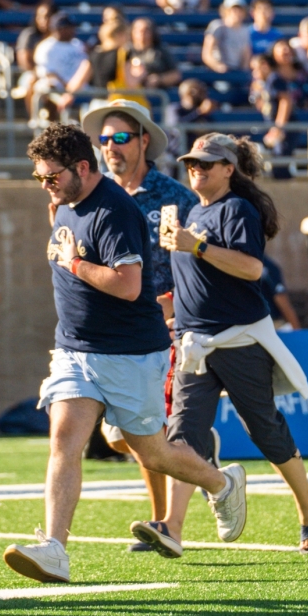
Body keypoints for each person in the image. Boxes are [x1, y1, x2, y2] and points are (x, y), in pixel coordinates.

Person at [5, 123, 247, 583]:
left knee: (154, 453)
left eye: (51, 177)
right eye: (39, 178)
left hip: (129, 353)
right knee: (64, 441)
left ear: (81, 167)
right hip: (74, 350)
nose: (45, 186)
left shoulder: (113, 211)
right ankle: (54, 548)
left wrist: (76, 263)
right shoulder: (64, 201)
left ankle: (221, 481)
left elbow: (128, 285)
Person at [134, 132, 308, 558]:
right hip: (194, 342)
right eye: (192, 163)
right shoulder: (191, 212)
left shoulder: (236, 209)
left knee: (263, 428)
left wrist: (197, 246)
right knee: (183, 435)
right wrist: (168, 303)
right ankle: (173, 527)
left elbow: (251, 268)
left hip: (239, 339)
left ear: (228, 169)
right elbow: (199, 282)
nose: (197, 170)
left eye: (206, 163)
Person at [80, 99, 199, 550]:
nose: (110, 147)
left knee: (145, 425)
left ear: (144, 141)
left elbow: (196, 263)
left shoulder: (176, 197)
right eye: (104, 139)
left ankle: (161, 523)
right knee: (119, 437)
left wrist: (174, 303)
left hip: (165, 324)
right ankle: (198, 462)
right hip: (108, 330)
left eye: (121, 137)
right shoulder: (93, 195)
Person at [263, 39, 308, 178]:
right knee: (280, 162)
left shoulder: (303, 74)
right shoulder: (274, 78)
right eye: (281, 48)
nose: (285, 50)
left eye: (288, 48)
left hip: (299, 123)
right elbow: (285, 102)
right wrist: (278, 128)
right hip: (284, 126)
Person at [202, 0, 252, 74]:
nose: (237, 13)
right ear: (226, 10)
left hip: (236, 72)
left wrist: (243, 72)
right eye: (233, 9)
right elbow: (207, 53)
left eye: (240, 10)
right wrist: (217, 66)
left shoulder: (245, 30)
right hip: (217, 73)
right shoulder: (217, 26)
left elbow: (246, 53)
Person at [128, 18, 181, 89]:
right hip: (130, 92)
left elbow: (175, 75)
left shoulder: (161, 51)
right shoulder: (126, 51)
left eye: (146, 31)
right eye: (139, 31)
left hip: (158, 94)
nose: (142, 34)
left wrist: (159, 79)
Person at [260, 256, 301, 330]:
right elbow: (281, 300)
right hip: (267, 324)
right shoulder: (267, 266)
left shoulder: (267, 266)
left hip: (243, 325)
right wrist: (298, 332)